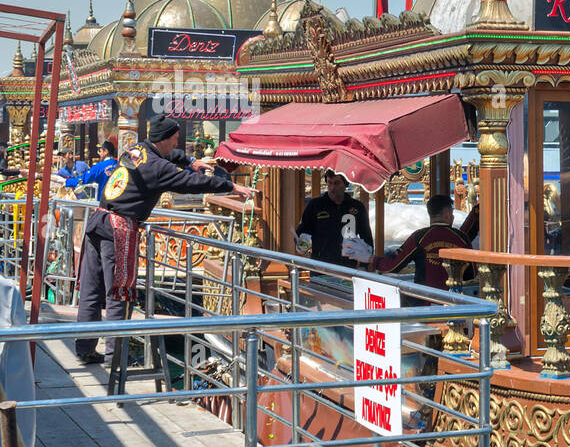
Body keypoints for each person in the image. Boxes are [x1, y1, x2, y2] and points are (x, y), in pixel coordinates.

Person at [74, 118, 255, 365]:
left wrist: (191, 160)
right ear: (165, 138)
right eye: (175, 138)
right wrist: (230, 185)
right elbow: (192, 183)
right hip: (117, 229)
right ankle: (114, 357)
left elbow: (171, 156)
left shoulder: (136, 150)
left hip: (97, 222)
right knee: (118, 292)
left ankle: (85, 348)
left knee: (91, 292)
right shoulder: (158, 168)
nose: (178, 142)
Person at [370, 194, 473, 291]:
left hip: (425, 300)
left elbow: (393, 265)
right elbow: (472, 272)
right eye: (452, 213)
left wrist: (370, 259)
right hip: (455, 301)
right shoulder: (461, 238)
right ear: (447, 215)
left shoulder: (419, 237)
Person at [295, 170, 373, 268]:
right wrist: (300, 243)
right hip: (320, 268)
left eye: (336, 183)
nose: (332, 188)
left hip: (348, 268)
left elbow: (366, 239)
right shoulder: (315, 205)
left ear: (345, 184)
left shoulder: (357, 207)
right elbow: (302, 232)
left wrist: (364, 266)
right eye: (329, 183)